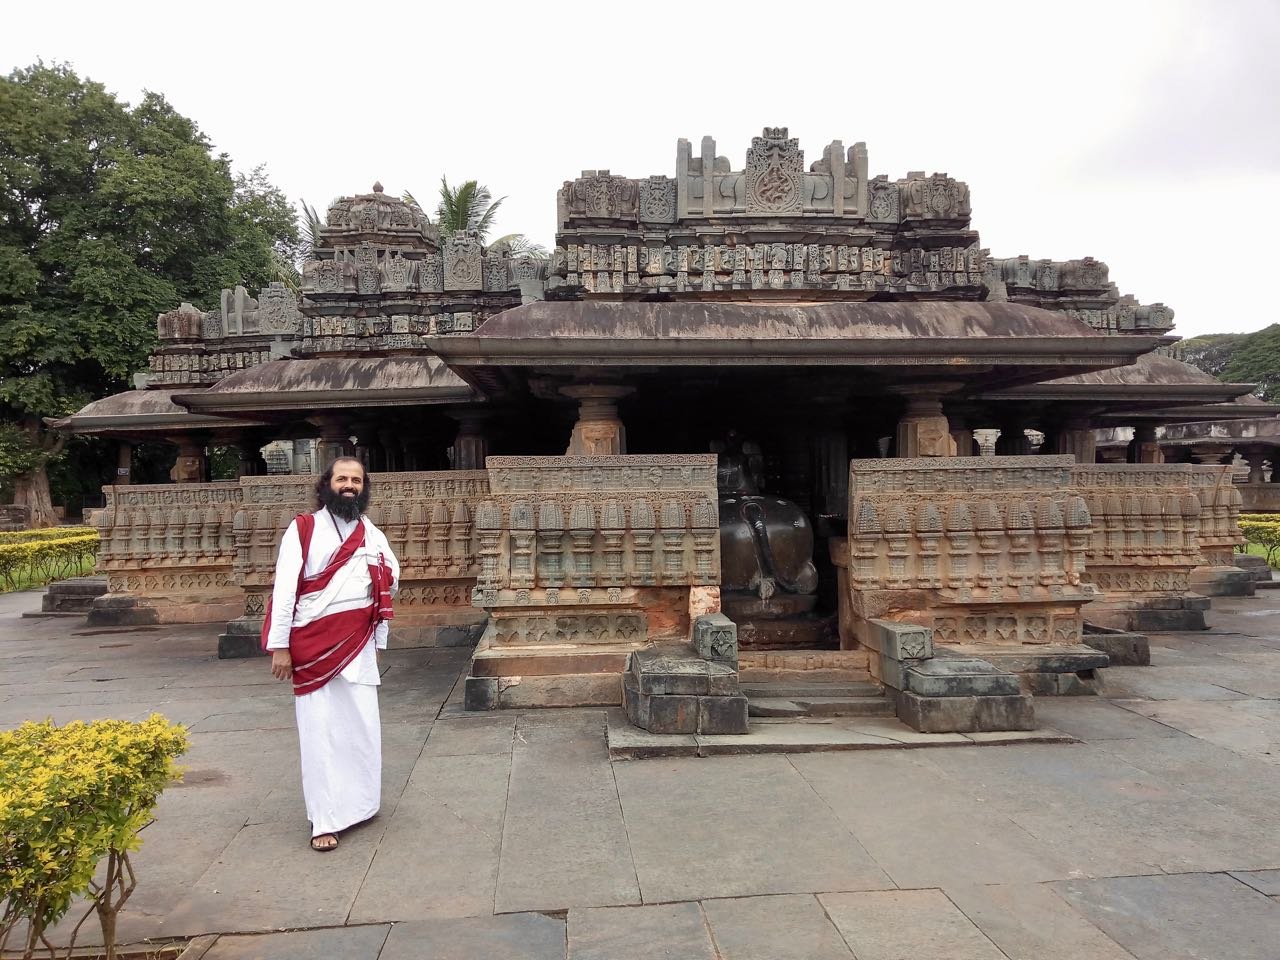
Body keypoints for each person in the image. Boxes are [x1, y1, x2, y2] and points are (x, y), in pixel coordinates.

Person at [265, 457, 399, 851]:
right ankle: (325, 819)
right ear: (327, 483)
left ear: (364, 487)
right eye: (343, 478)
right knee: (320, 732)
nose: (349, 485)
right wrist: (279, 646)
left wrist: (377, 635)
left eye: (356, 480)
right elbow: (285, 589)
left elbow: (391, 579)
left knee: (360, 727)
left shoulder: (371, 533)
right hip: (312, 643)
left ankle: (360, 806)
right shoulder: (303, 528)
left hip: (358, 643)